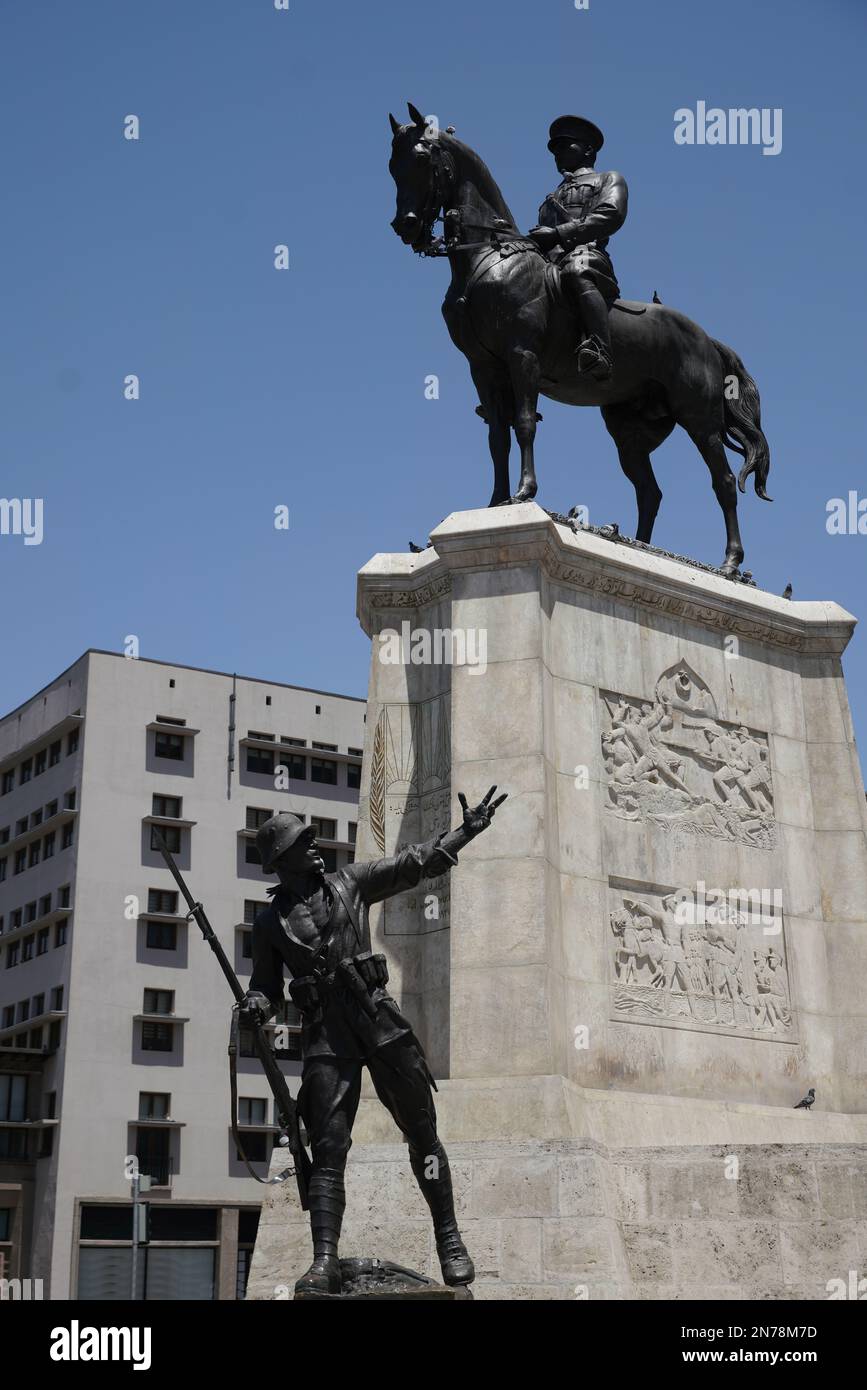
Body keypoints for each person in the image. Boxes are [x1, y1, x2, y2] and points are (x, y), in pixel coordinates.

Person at [242, 786, 507, 1296]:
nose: (315, 846)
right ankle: (324, 1260)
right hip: (325, 1037)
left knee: (421, 1131)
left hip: (379, 1022)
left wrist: (465, 832)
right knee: (328, 1148)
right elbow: (266, 987)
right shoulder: (269, 923)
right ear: (281, 860)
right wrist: (256, 1003)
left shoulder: (351, 883)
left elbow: (414, 864)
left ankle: (448, 1237)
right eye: (303, 843)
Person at [528, 115, 628, 380]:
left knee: (576, 271)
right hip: (549, 263)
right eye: (555, 149)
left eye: (565, 146)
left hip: (587, 255)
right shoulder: (551, 197)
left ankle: (599, 348)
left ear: (588, 150)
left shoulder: (608, 179)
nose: (558, 153)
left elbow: (610, 215)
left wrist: (559, 234)